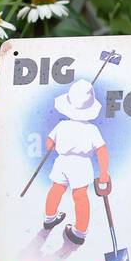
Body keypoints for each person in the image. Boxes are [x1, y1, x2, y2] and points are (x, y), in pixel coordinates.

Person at [42, 80, 109, 245]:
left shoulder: (62, 125)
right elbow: (102, 151)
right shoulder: (92, 130)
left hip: (62, 161)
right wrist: (103, 173)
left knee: (56, 189)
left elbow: (49, 144)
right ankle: (79, 232)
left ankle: (50, 217)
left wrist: (59, 147)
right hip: (81, 164)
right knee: (80, 196)